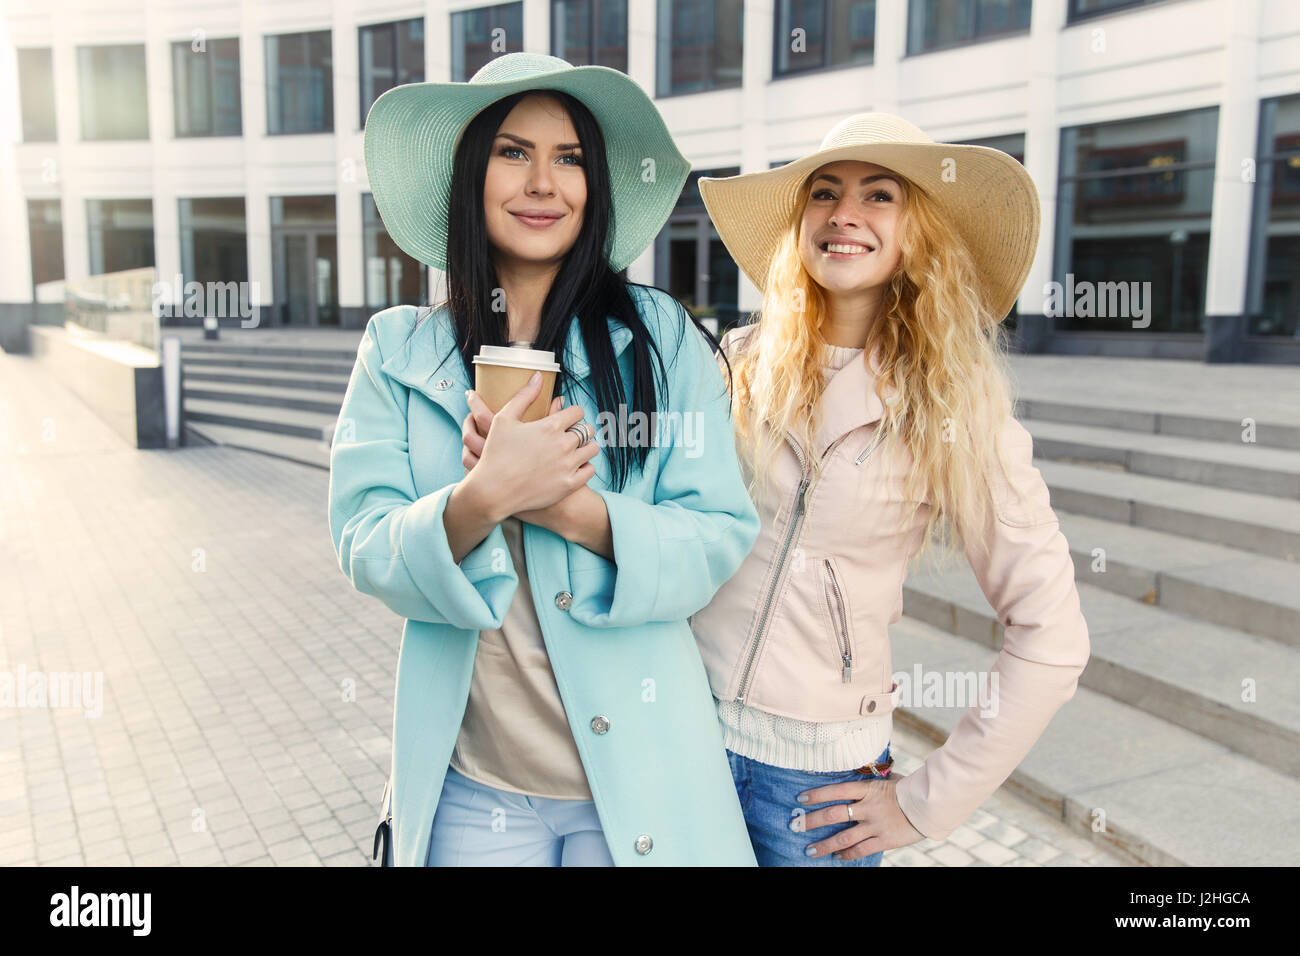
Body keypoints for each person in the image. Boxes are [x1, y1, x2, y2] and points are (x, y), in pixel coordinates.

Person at [329, 53, 760, 866]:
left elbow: (717, 534)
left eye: (569, 159)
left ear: (594, 187)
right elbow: (363, 540)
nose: (542, 183)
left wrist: (570, 510)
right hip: (470, 787)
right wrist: (478, 501)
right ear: (470, 173)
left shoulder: (661, 337)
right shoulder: (397, 349)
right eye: (512, 151)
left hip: (637, 786)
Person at [690, 112, 1091, 866]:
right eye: (824, 192)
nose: (844, 214)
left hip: (815, 792)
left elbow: (1054, 634)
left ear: (919, 232)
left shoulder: (956, 402)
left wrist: (927, 803)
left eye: (879, 195)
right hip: (680, 740)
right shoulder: (735, 363)